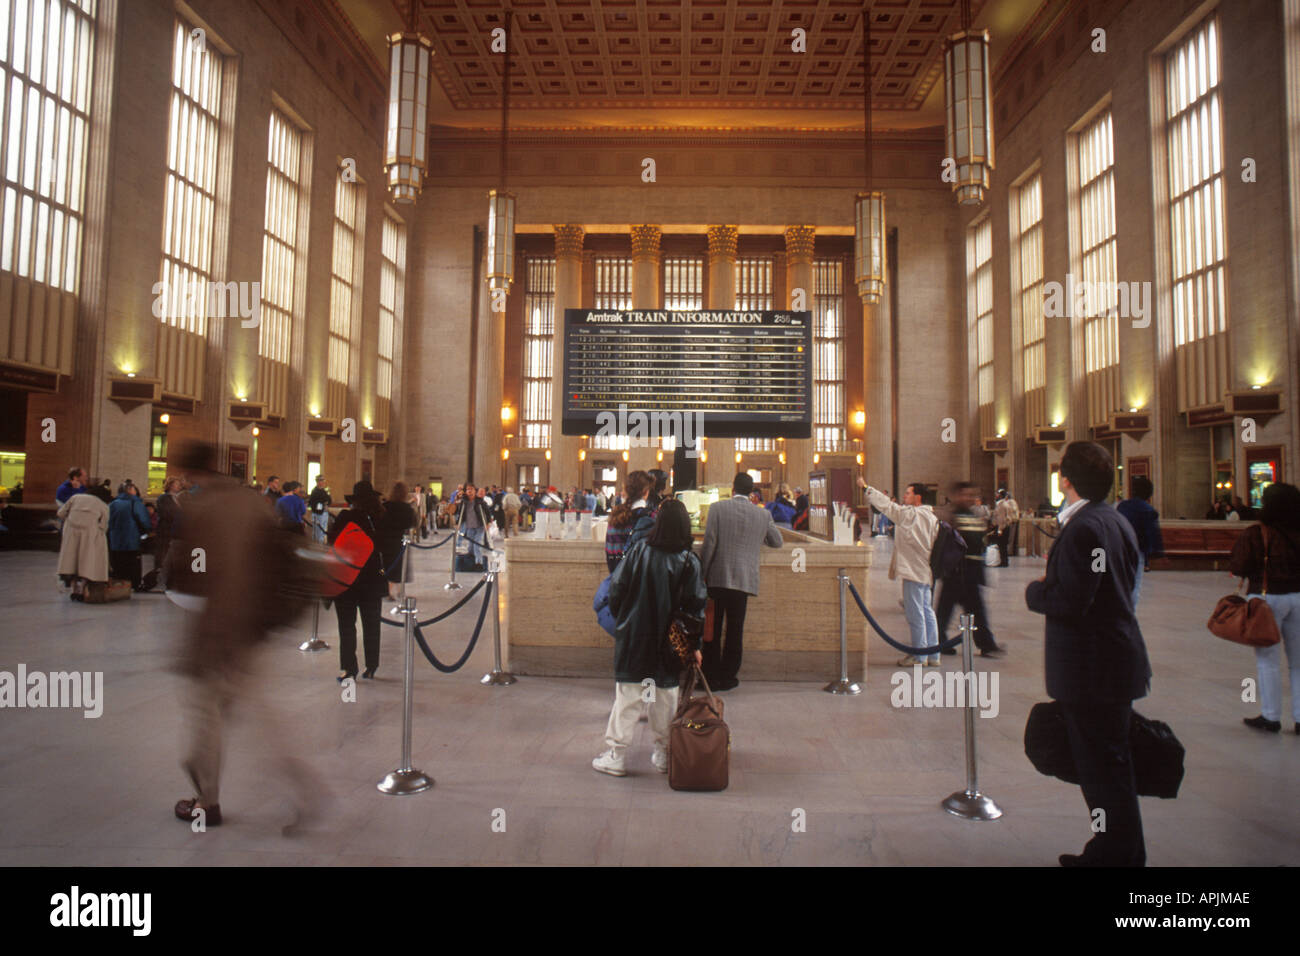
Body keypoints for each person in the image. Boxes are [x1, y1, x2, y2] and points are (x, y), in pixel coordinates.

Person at [169, 441, 321, 830]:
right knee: (257, 714)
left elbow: (187, 573)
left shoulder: (200, 509)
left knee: (208, 718)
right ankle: (299, 788)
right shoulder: (251, 501)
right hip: (254, 624)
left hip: (219, 628)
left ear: (190, 473)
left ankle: (208, 800)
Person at [1025, 441, 1151, 867]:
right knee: (1108, 769)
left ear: (1066, 479)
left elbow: (1074, 600)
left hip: (1094, 670)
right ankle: (1117, 850)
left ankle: (1114, 856)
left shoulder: (1085, 530)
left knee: (1102, 772)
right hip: (1111, 662)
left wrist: (1037, 591)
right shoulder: (1113, 522)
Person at [594, 498, 707, 776]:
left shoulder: (638, 551)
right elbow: (695, 609)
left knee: (628, 697)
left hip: (635, 636)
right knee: (665, 697)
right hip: (670, 643)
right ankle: (663, 753)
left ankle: (617, 755)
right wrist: (694, 646)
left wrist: (624, 621)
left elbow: (617, 590)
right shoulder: (689, 561)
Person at [699, 472, 784, 691]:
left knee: (713, 630)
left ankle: (710, 676)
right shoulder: (762, 515)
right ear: (752, 492)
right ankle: (729, 676)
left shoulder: (717, 509)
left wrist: (703, 575)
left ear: (733, 488)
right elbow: (777, 542)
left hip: (717, 579)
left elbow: (709, 544)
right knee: (735, 630)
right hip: (744, 581)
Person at [1228, 481, 1300, 735]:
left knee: (1268, 660)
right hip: (1299, 597)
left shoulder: (1257, 533)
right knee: (1298, 661)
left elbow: (1239, 565)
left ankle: (1271, 716)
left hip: (1268, 598)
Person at [858, 477, 942, 667]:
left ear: (917, 498)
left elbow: (888, 507)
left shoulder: (912, 515)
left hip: (913, 571)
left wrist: (866, 488)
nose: (904, 496)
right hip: (926, 570)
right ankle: (933, 654)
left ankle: (919, 655)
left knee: (915, 614)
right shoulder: (932, 517)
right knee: (927, 611)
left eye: (908, 493)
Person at [935, 481, 1006, 658]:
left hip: (971, 572)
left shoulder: (974, 516)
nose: (968, 498)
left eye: (971, 494)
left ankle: (985, 644)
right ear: (957, 496)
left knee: (974, 609)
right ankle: (940, 642)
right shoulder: (950, 516)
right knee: (946, 609)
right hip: (956, 572)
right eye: (965, 494)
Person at [330, 481, 388, 681]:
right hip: (372, 578)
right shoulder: (379, 517)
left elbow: (332, 542)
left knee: (346, 625)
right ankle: (372, 666)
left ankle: (348, 669)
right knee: (372, 623)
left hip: (347, 578)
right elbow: (385, 546)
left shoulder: (346, 517)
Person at [56, 483, 110, 600]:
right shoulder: (102, 505)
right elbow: (103, 525)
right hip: (90, 535)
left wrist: (72, 521)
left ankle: (73, 589)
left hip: (71, 533)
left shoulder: (75, 498)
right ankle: (81, 590)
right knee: (86, 562)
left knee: (72, 561)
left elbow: (60, 513)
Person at [1116, 477, 1164, 606]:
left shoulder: (1122, 506)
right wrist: (1154, 555)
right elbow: (1151, 536)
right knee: (1134, 585)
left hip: (1120, 549)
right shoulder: (1149, 511)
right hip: (1137, 553)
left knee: (1121, 582)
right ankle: (1129, 613)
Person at [604, 471, 653, 572]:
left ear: (625, 491)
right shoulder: (653, 518)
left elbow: (610, 555)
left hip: (617, 580)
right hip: (642, 583)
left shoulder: (615, 518)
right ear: (646, 492)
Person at [108, 480, 151, 591]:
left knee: (118, 564)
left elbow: (107, 522)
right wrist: (147, 531)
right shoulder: (135, 503)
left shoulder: (113, 504)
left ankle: (119, 585)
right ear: (130, 490)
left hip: (115, 541)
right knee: (133, 564)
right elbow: (144, 520)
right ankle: (134, 584)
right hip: (132, 540)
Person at [379, 482, 417, 586]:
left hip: (385, 540)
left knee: (387, 564)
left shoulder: (384, 507)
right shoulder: (407, 509)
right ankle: (396, 589)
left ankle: (389, 587)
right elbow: (411, 523)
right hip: (399, 541)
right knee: (398, 565)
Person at [454, 482, 493, 569]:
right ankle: (471, 562)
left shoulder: (480, 502)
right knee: (471, 546)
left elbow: (487, 512)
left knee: (477, 545)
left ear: (475, 491)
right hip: (470, 527)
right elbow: (460, 513)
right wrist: (458, 523)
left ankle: (479, 563)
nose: (470, 491)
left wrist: (488, 523)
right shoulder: (464, 502)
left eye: (471, 489)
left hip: (480, 527)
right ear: (465, 491)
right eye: (468, 490)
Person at [155, 476, 184, 584]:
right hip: (165, 529)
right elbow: (167, 513)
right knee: (164, 552)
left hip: (175, 529)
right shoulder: (164, 498)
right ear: (171, 485)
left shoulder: (179, 497)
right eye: (177, 484)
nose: (179, 486)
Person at [992, 488, 1020, 567]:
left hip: (1002, 527)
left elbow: (1001, 518)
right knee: (1003, 545)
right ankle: (1005, 561)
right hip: (1006, 527)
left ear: (1000, 496)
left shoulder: (1001, 505)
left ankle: (1003, 562)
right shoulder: (1006, 504)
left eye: (997, 494)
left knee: (1002, 545)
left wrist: (1000, 530)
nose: (996, 496)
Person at [307, 476, 332, 544]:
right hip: (317, 513)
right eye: (321, 481)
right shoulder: (315, 491)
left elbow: (329, 501)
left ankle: (321, 544)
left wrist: (326, 503)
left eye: (323, 481)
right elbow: (313, 502)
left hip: (324, 513)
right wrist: (323, 504)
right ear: (318, 482)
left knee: (323, 530)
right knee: (317, 531)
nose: (323, 482)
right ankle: (317, 545)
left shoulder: (325, 491)